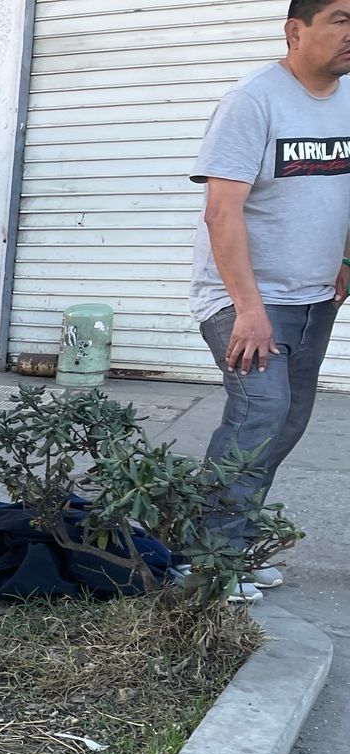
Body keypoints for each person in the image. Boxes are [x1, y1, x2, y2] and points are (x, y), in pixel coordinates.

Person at [189, 0, 350, 597]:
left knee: (289, 418)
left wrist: (344, 258)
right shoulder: (252, 100)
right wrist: (249, 309)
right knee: (259, 411)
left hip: (314, 298)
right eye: (340, 18)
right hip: (245, 298)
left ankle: (233, 537)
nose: (349, 34)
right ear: (295, 29)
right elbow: (221, 211)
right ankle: (209, 556)